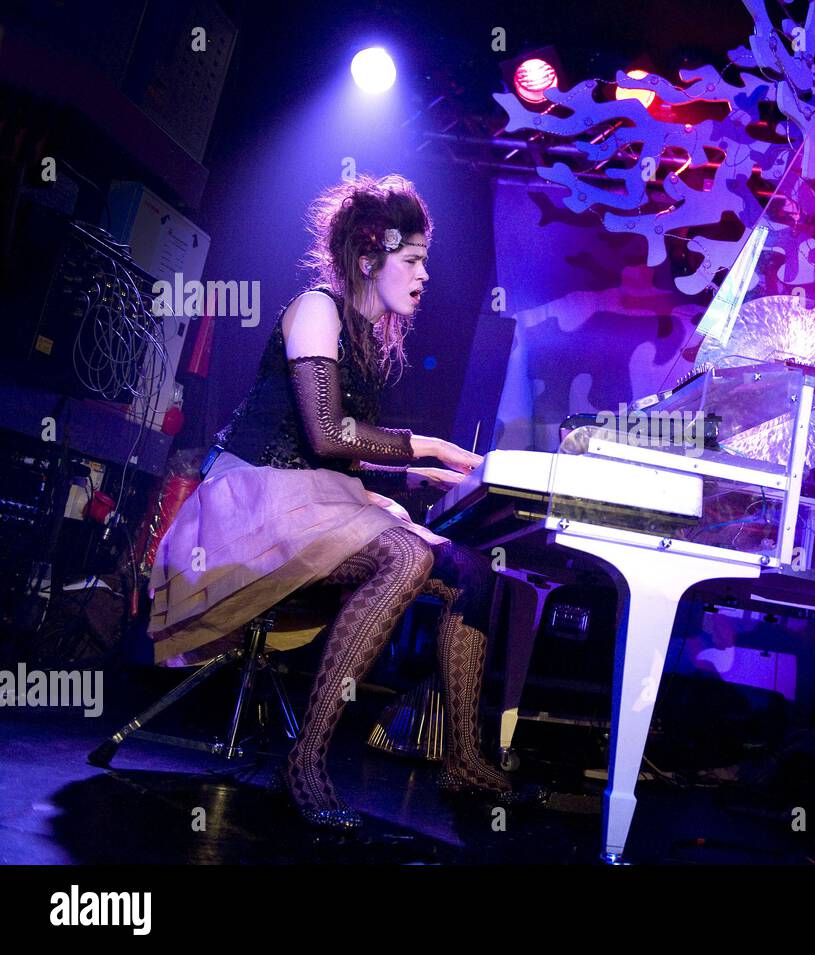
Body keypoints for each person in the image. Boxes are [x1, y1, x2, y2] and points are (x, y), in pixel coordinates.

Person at [148, 174, 533, 830]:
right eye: (412, 259)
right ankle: (306, 756)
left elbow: (339, 460)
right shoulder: (318, 309)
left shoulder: (364, 337)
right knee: (408, 556)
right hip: (248, 509)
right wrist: (431, 448)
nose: (424, 275)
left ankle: (465, 758)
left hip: (309, 502)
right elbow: (327, 432)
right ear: (367, 259)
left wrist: (421, 482)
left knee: (471, 570)